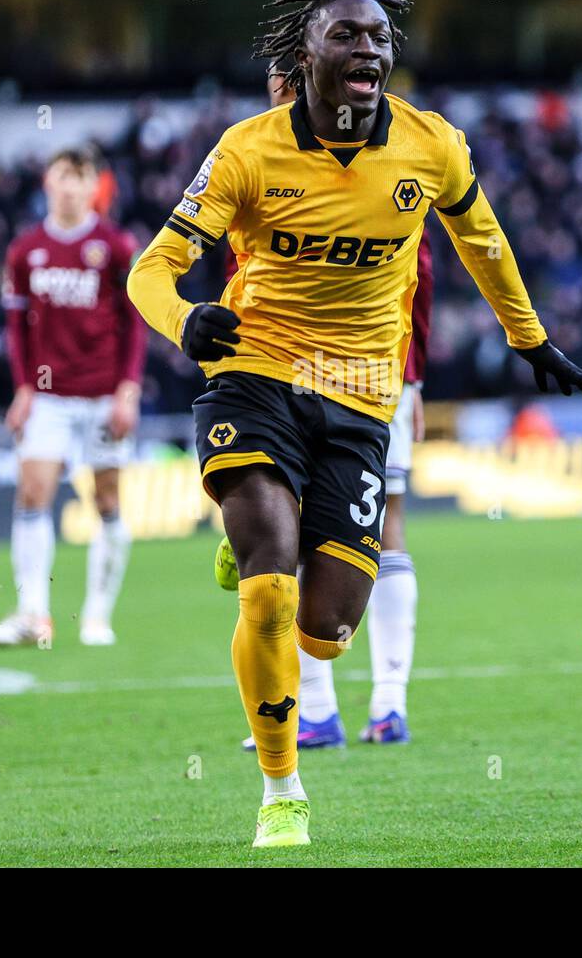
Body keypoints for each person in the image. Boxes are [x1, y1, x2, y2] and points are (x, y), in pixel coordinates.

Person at [128, 0, 582, 848]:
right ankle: (282, 791)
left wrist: (529, 339)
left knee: (328, 626)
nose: (368, 48)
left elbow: (484, 242)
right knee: (269, 577)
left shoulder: (432, 146)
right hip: (255, 374)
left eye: (379, 36)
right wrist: (185, 318)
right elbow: (147, 269)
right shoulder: (246, 151)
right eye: (347, 34)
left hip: (363, 398)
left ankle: (266, 546)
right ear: (305, 54)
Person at [225, 58, 433, 751]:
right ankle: (316, 708)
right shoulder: (253, 155)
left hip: (371, 378)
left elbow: (417, 276)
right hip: (274, 377)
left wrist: (415, 376)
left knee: (381, 527)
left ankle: (385, 701)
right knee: (276, 527)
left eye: (289, 85)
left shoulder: (386, 162)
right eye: (275, 88)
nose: (281, 99)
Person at [0, 147, 146, 647]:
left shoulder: (115, 245)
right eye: (62, 177)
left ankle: (97, 614)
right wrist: (23, 389)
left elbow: (134, 321)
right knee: (32, 495)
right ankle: (34, 615)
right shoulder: (25, 250)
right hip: (48, 397)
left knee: (107, 499)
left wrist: (128, 389)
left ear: (94, 185)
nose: (71, 187)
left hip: (101, 393)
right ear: (47, 183)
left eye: (81, 178)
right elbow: (15, 327)